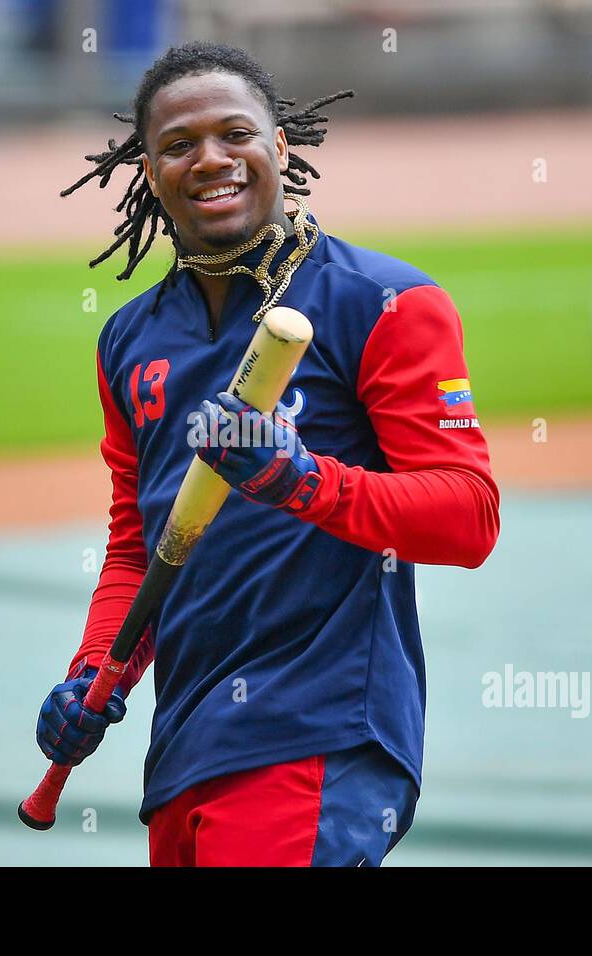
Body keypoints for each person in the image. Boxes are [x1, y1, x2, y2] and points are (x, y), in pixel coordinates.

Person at [34, 41, 500, 866]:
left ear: (281, 147)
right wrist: (93, 673)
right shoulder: (129, 340)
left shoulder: (384, 303)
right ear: (148, 169)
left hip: (318, 733)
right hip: (186, 749)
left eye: (235, 134)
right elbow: (140, 548)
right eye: (178, 144)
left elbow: (468, 517)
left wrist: (301, 479)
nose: (211, 158)